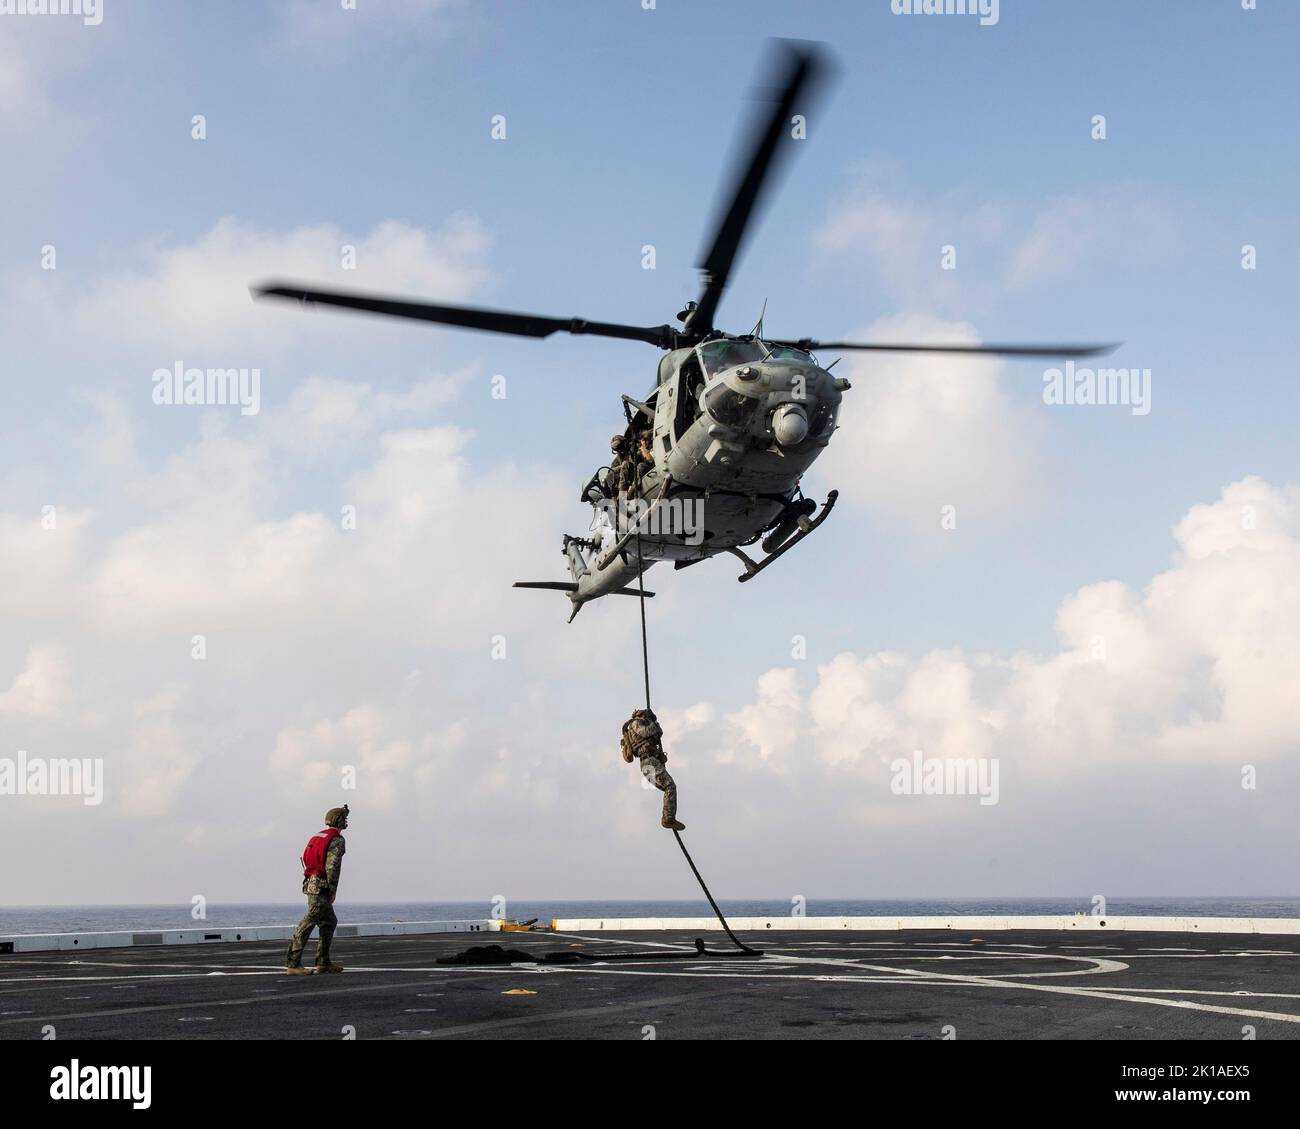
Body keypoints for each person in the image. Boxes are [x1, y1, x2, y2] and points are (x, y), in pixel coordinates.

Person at [285, 804, 349, 975]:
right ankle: (293, 964)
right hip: (322, 886)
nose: (346, 821)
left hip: (311, 883)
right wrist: (332, 890)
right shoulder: (337, 840)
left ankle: (323, 962)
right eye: (344, 818)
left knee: (329, 922)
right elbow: (333, 867)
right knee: (309, 922)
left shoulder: (318, 836)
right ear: (338, 820)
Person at [621, 708, 684, 830]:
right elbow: (646, 732)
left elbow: (658, 733)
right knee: (670, 786)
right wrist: (653, 722)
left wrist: (654, 723)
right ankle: (668, 819)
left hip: (649, 763)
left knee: (668, 788)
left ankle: (668, 817)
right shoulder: (635, 723)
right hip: (649, 762)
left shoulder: (643, 723)